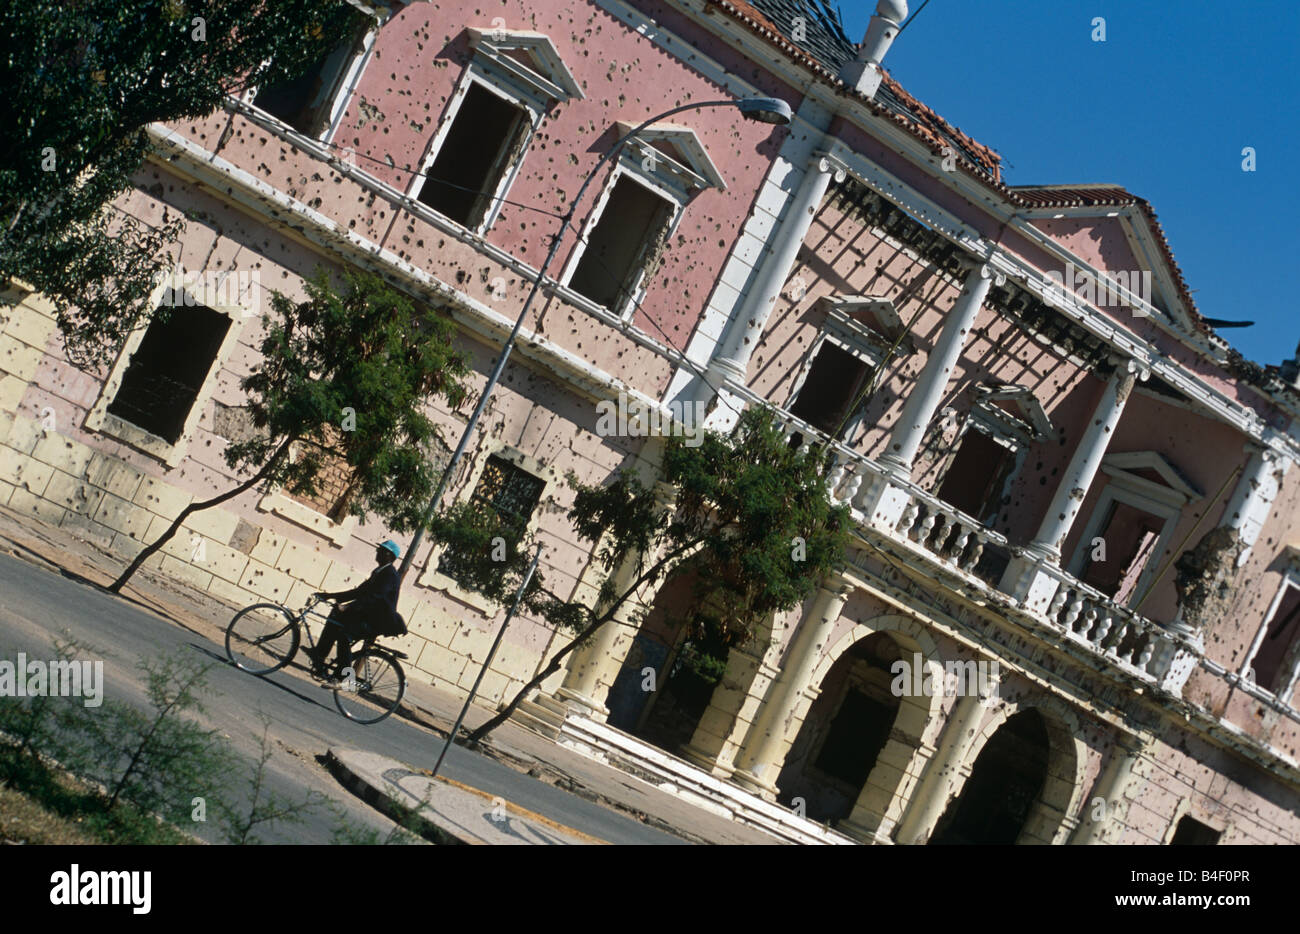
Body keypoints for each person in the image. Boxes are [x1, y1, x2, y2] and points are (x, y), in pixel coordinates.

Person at [305, 539, 402, 681]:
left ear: (389, 555)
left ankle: (342, 678)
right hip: (368, 616)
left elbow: (374, 598)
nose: (377, 552)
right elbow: (358, 592)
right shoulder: (379, 571)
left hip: (377, 621)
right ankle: (319, 655)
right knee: (335, 616)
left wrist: (347, 606)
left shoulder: (390, 575)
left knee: (345, 635)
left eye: (381, 550)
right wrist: (330, 596)